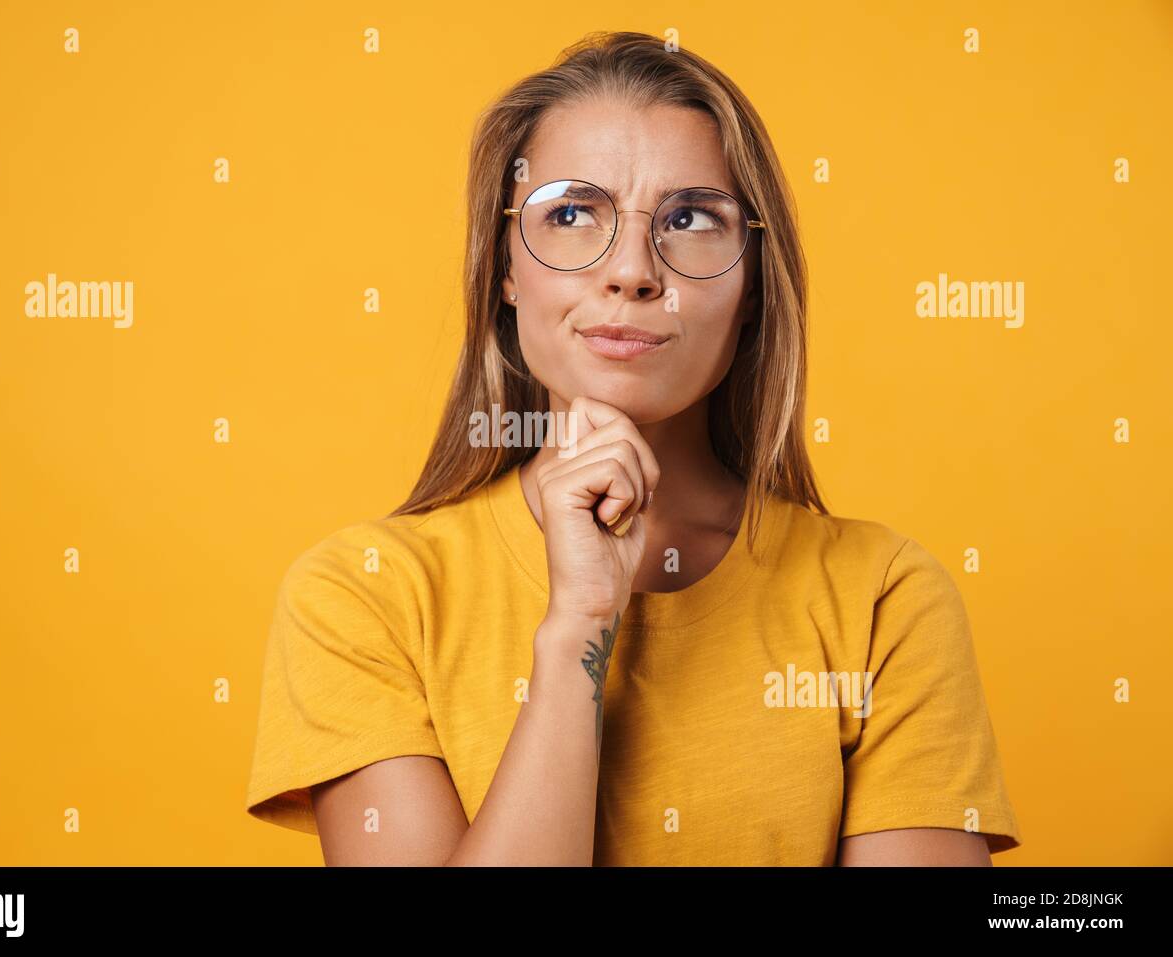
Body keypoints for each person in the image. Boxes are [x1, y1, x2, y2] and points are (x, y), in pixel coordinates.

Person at [245, 31, 1022, 865]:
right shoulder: (363, 596)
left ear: (755, 281)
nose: (631, 272)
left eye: (690, 218)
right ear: (505, 266)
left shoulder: (883, 599)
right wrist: (579, 624)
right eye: (573, 213)